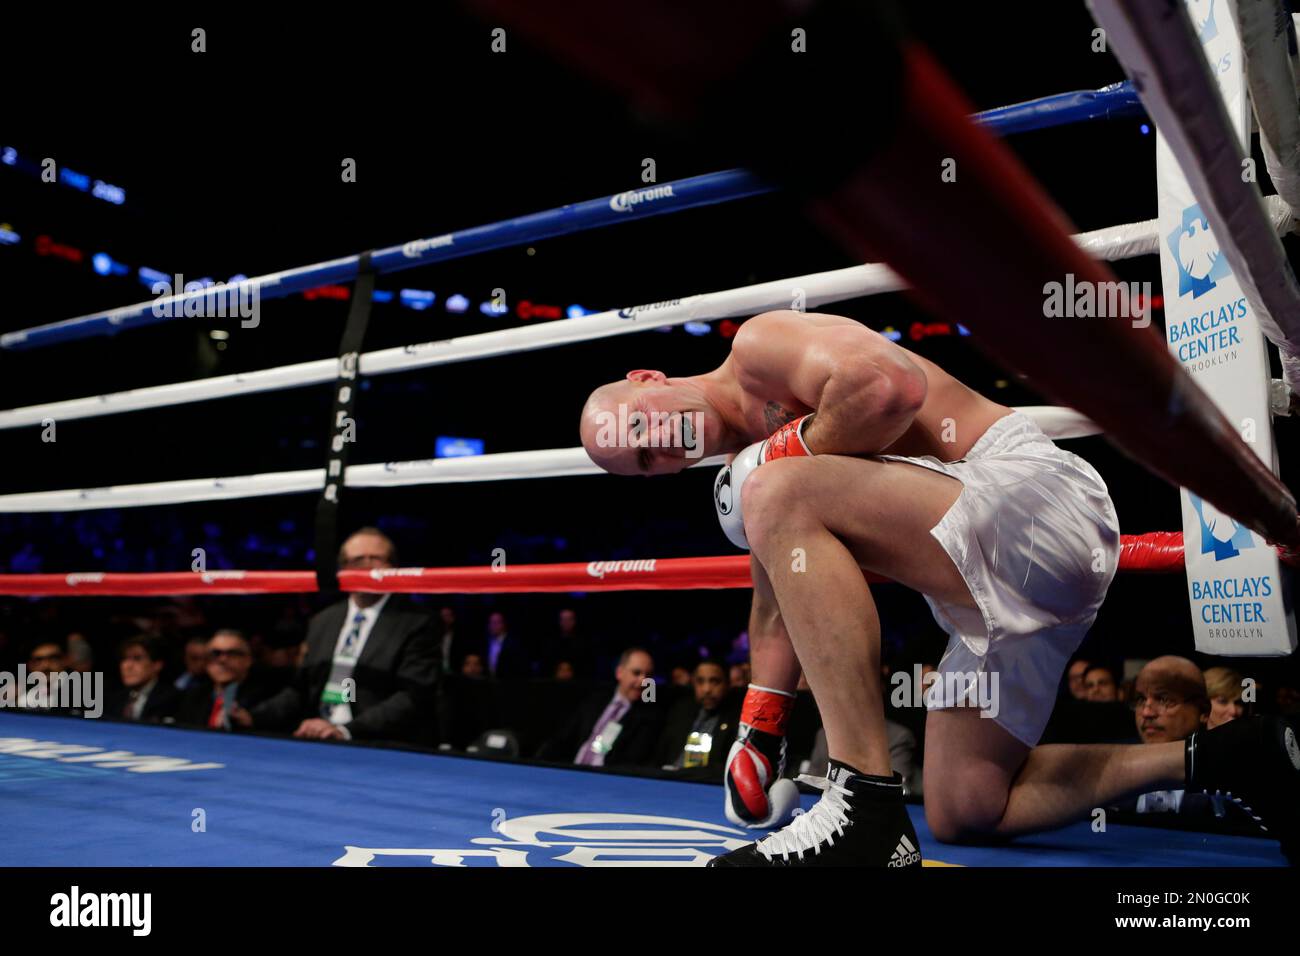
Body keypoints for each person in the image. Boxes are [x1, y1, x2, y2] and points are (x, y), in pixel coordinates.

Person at [580, 309, 1300, 866]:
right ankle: (1233, 756)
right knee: (967, 805)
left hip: (1036, 503)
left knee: (775, 493)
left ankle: (862, 801)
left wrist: (777, 454)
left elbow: (890, 390)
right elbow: (775, 603)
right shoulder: (760, 482)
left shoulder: (762, 351)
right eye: (644, 459)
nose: (662, 443)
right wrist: (758, 731)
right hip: (991, 592)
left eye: (644, 424)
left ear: (648, 379)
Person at [244, 528, 439, 744]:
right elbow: (301, 690)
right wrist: (251, 717)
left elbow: (414, 696)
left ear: (392, 567)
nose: (367, 566)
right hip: (321, 735)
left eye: (376, 558)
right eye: (357, 560)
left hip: (381, 743)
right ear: (343, 569)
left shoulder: (417, 621)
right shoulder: (323, 621)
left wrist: (346, 730)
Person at [536, 647, 664, 768]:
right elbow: (563, 739)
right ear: (619, 672)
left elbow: (632, 761)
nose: (643, 681)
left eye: (648, 675)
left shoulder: (648, 716)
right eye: (636, 673)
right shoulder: (595, 700)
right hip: (573, 770)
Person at [106, 635, 179, 722]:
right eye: (124, 659)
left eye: (137, 658)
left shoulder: (173, 700)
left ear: (157, 665)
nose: (127, 666)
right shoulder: (112, 697)